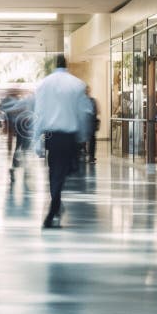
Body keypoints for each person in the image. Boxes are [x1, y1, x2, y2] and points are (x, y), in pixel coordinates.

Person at [33, 55, 93, 228]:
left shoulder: (44, 84)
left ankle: (56, 204)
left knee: (55, 171)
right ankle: (55, 207)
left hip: (51, 136)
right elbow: (83, 114)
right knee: (62, 171)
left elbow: (39, 113)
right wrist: (83, 136)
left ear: (54, 65)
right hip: (69, 136)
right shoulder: (77, 84)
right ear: (66, 65)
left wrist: (36, 139)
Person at [86, 86, 100, 164]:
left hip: (91, 123)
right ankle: (89, 155)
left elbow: (98, 110)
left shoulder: (92, 101)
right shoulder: (85, 101)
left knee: (92, 140)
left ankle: (91, 156)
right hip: (87, 123)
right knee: (88, 141)